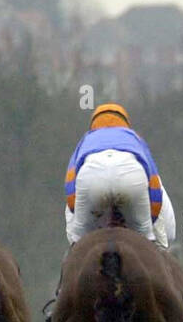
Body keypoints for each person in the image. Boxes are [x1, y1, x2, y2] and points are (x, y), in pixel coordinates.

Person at [64, 103, 163, 245]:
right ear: (126, 123)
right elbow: (154, 186)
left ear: (93, 124)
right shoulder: (135, 138)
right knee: (148, 243)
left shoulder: (86, 140)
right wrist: (147, 221)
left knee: (77, 243)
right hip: (131, 178)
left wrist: (82, 212)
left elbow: (70, 186)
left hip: (92, 178)